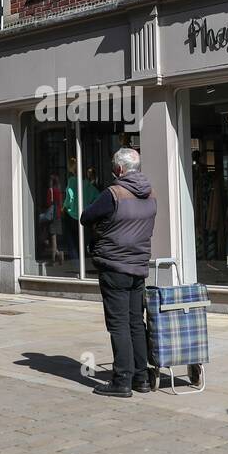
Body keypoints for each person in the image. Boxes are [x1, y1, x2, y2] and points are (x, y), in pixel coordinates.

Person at [79, 147, 157, 397]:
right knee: (136, 321)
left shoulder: (114, 193)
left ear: (120, 169)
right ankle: (141, 377)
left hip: (114, 265)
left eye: (114, 167)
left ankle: (122, 380)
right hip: (138, 266)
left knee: (118, 323)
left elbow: (86, 216)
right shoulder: (150, 194)